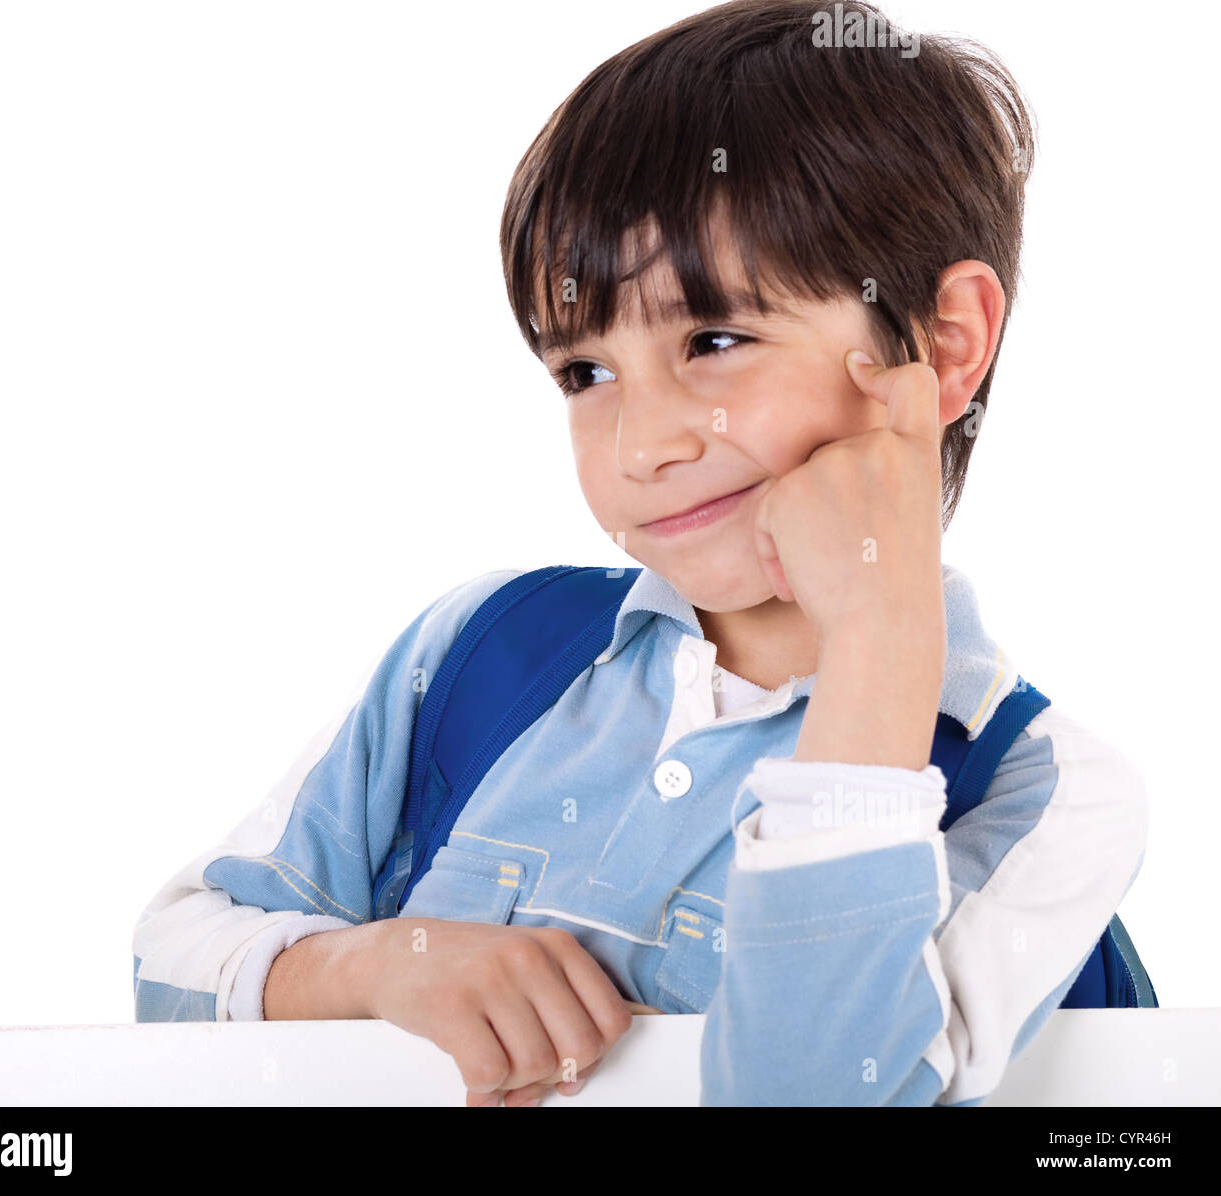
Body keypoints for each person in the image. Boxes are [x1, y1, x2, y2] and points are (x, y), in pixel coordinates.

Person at [132, 0, 1149, 1106]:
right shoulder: (485, 650)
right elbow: (167, 970)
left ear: (943, 343)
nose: (641, 443)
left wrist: (876, 640)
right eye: (584, 371)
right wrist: (378, 964)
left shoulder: (1040, 790)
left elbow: (809, 1091)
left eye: (714, 340)